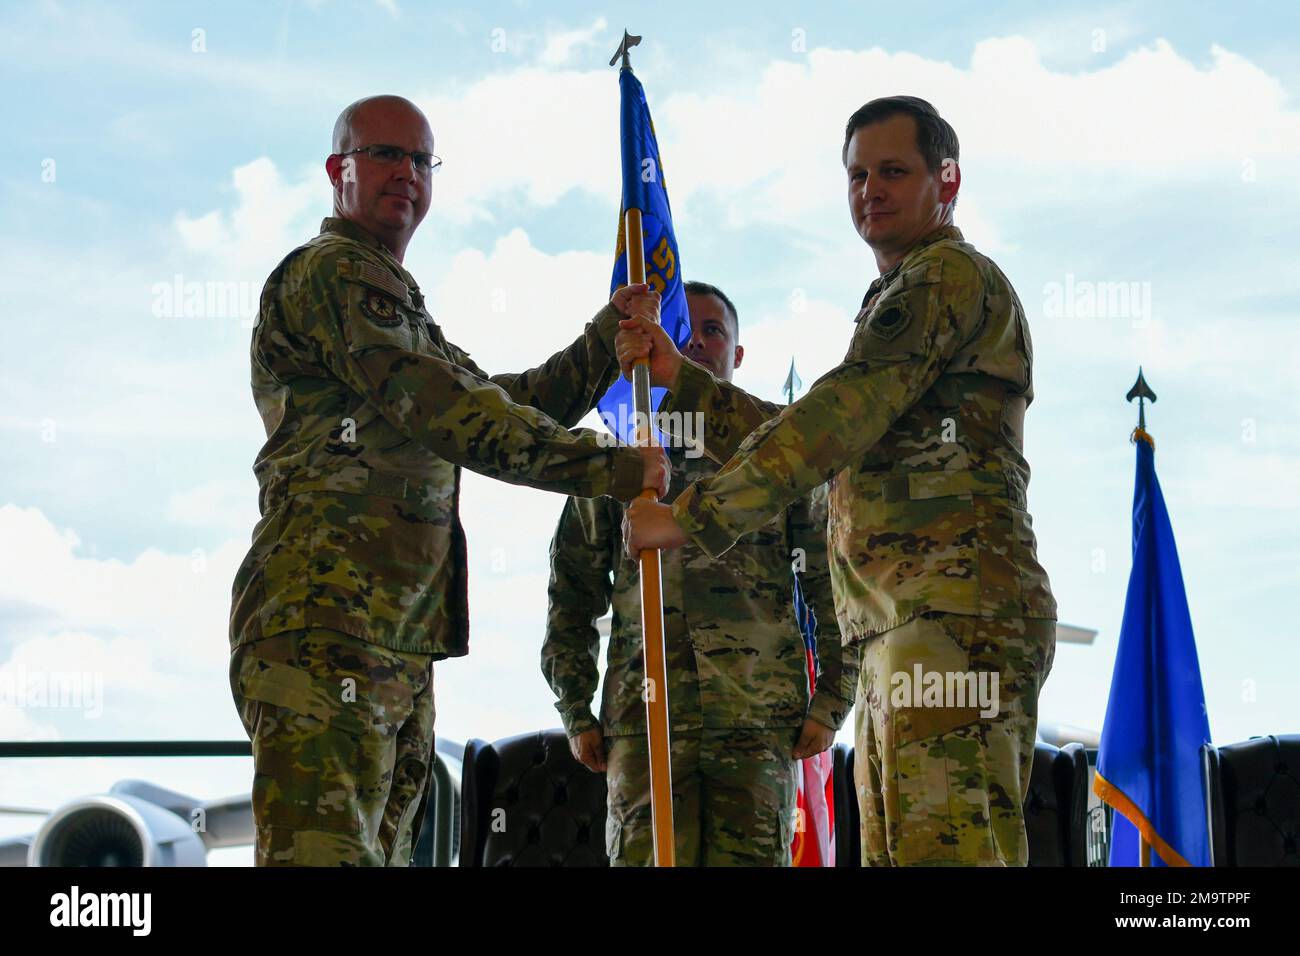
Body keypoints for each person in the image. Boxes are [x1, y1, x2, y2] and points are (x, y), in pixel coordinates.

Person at [228, 94, 668, 866]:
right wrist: (614, 468)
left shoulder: (400, 306)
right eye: (384, 156)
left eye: (420, 160)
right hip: (326, 626)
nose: (406, 173)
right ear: (339, 172)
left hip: (389, 637)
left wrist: (606, 336)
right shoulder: (332, 275)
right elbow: (455, 414)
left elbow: (503, 402)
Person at [618, 96, 1057, 866]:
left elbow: (835, 419)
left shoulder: (946, 276)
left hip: (953, 617)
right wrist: (681, 383)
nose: (870, 190)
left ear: (946, 182)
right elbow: (820, 436)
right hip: (903, 620)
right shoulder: (899, 295)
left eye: (894, 171)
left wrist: (693, 515)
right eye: (857, 174)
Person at [542, 281, 857, 866]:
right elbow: (571, 593)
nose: (695, 343)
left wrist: (832, 700)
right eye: (683, 329)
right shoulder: (624, 460)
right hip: (645, 721)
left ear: (738, 354)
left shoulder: (778, 462)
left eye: (714, 331)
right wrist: (576, 705)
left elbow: (832, 586)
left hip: (757, 720)